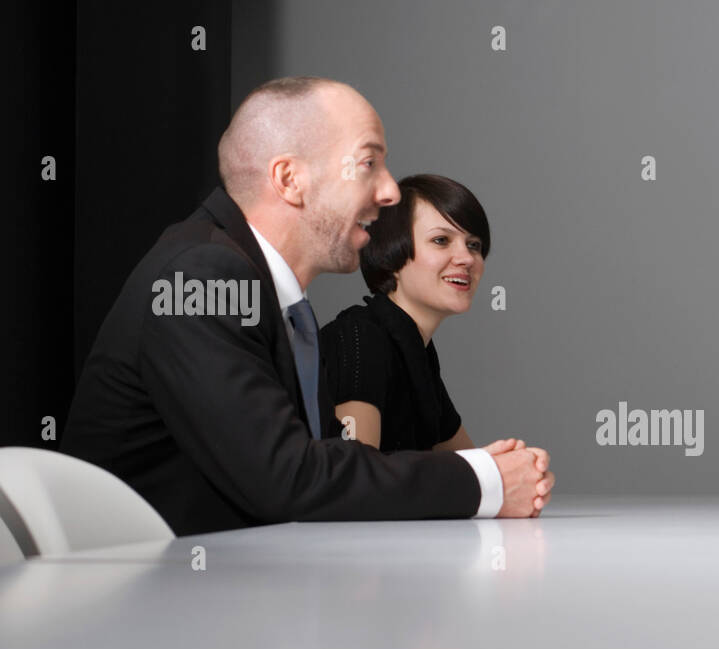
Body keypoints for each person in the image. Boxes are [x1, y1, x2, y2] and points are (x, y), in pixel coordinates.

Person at [61, 77, 553, 535]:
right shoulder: (201, 275)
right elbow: (290, 478)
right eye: (368, 164)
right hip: (144, 608)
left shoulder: (277, 303)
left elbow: (324, 460)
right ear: (290, 179)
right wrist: (485, 480)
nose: (388, 191)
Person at [320, 174, 491, 454]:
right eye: (441, 240)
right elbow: (356, 479)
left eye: (474, 245)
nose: (467, 258)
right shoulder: (361, 338)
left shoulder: (416, 349)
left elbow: (470, 470)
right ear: (392, 253)